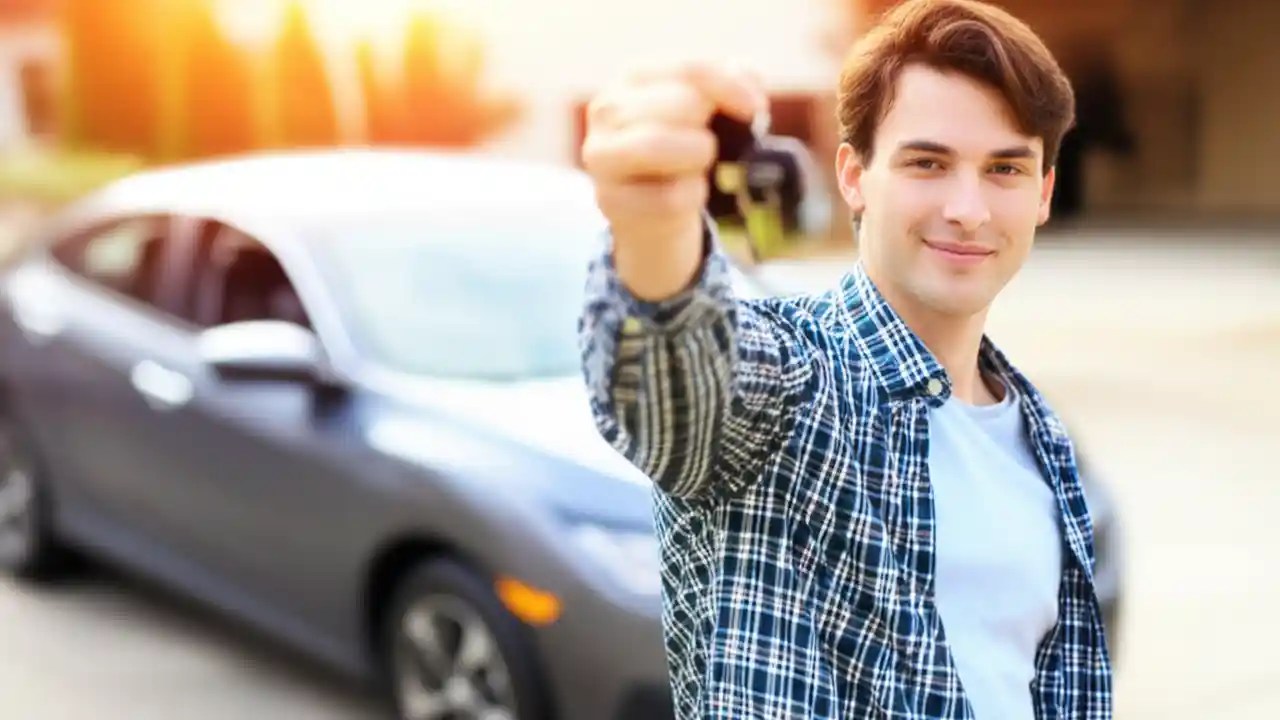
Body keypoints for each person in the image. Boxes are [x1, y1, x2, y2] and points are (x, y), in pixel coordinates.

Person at [577, 0, 1112, 717]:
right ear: (855, 175)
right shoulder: (793, 384)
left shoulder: (1041, 439)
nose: (969, 208)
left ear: (1043, 192)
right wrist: (654, 227)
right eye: (928, 162)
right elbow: (681, 382)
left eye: (1005, 169)